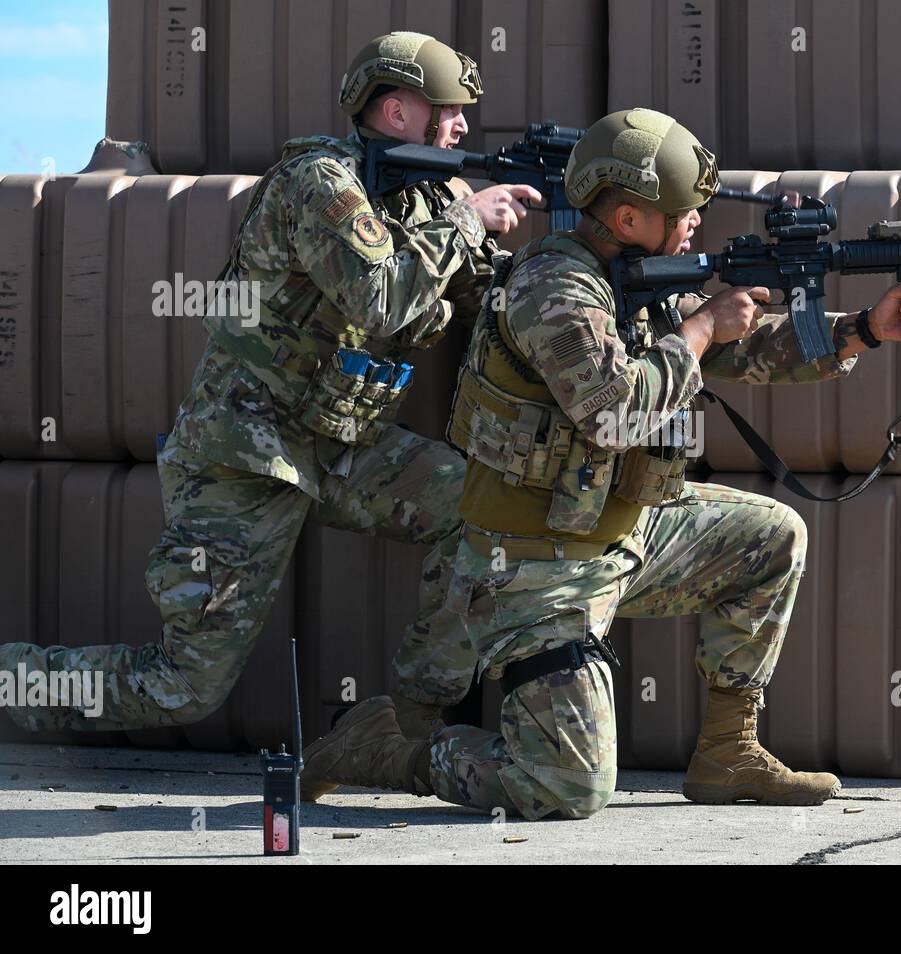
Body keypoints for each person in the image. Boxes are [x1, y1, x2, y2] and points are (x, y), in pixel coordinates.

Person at [300, 108, 901, 819]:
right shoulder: (555, 289)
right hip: (532, 565)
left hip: (621, 534)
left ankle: (728, 752)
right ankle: (387, 749)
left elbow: (743, 346)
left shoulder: (633, 277)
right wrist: (697, 332)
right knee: (565, 788)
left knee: (771, 537)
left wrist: (863, 330)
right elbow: (612, 413)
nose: (697, 221)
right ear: (629, 217)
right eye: (683, 210)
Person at [0, 31, 538, 741]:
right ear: (400, 112)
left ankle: (410, 724)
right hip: (244, 454)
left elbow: (488, 308)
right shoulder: (320, 182)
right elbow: (381, 298)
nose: (464, 125)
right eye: (451, 109)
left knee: (481, 515)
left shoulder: (419, 200)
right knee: (183, 686)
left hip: (340, 448)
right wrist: (467, 217)